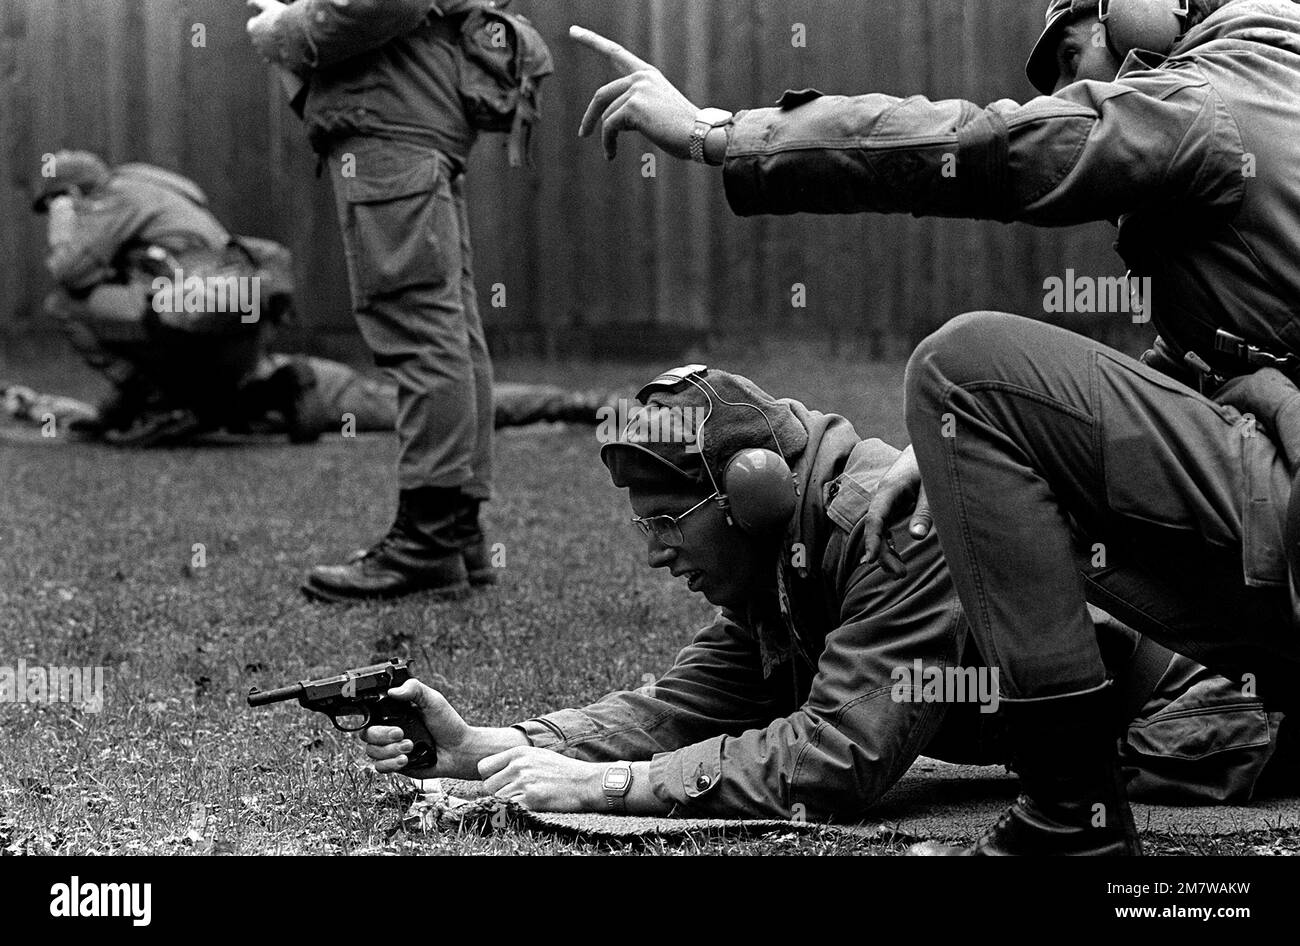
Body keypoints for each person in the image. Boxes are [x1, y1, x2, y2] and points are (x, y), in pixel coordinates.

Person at [567, 0, 1300, 852]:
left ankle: (1073, 819)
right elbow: (1210, 372)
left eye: (1075, 49)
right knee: (988, 409)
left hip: (1245, 632)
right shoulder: (1265, 94)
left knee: (966, 369)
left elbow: (989, 148)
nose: (1075, 87)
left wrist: (720, 133)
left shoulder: (1212, 97)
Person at [354, 366, 1285, 819]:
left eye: (666, 522)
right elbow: (691, 703)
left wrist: (612, 787)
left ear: (752, 487)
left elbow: (840, 757)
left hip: (1214, 716)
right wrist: (498, 748)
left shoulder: (892, 534)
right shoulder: (790, 551)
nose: (654, 555)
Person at [247, 0, 498, 604]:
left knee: (419, 329)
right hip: (419, 114)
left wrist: (284, 30)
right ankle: (456, 533)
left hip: (391, 123)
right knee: (451, 332)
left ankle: (427, 546)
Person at [32, 150, 304, 446]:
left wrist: (61, 232)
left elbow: (70, 272)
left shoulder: (114, 197)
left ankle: (156, 403)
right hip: (241, 306)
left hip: (188, 308)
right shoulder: (162, 191)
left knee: (65, 305)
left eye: (52, 205)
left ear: (70, 193)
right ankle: (276, 391)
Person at [2, 363, 621, 444]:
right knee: (441, 404)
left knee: (449, 405)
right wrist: (30, 404)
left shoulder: (165, 378)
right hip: (311, 400)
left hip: (324, 395)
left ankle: (579, 404)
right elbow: (90, 419)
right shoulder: (137, 395)